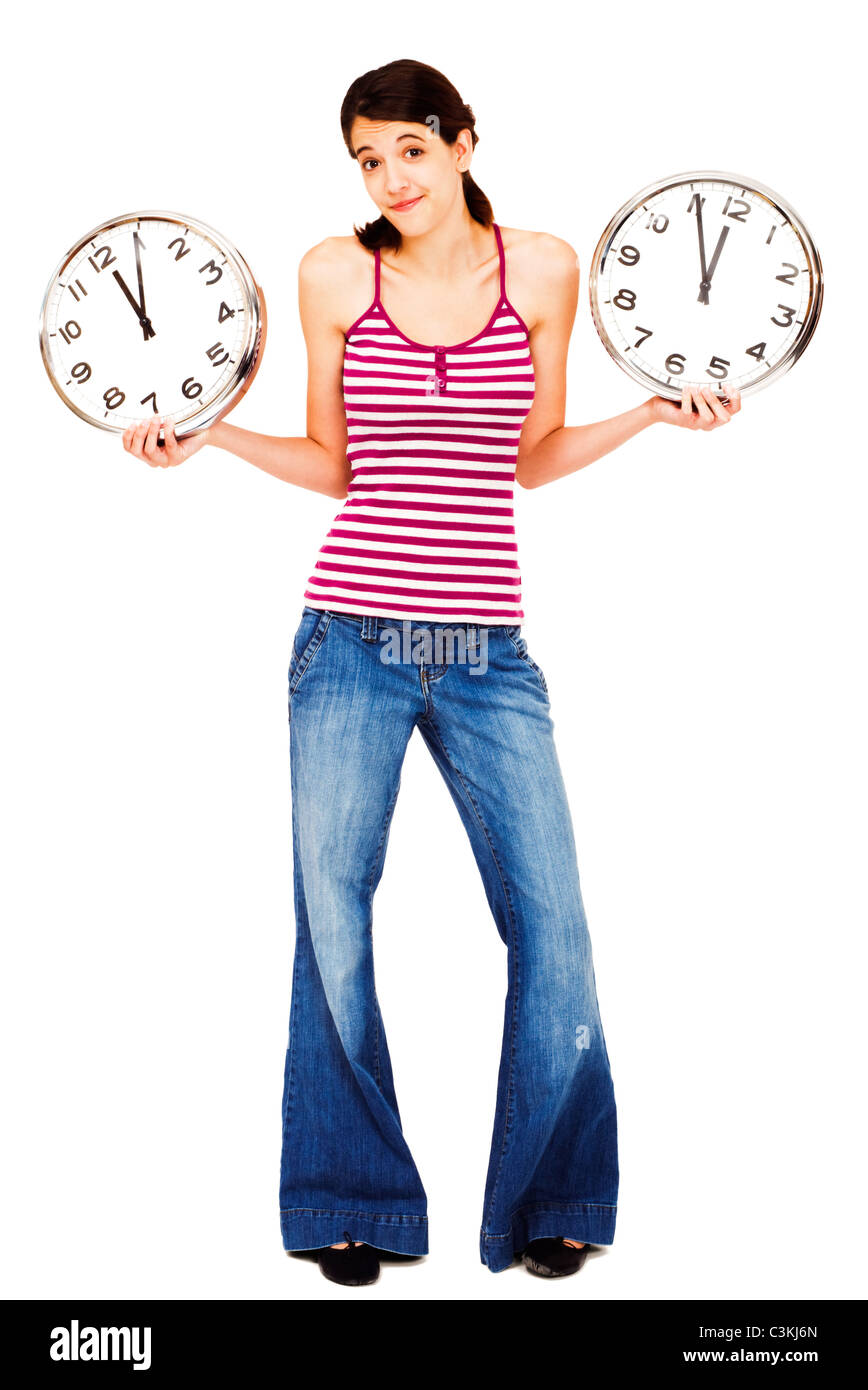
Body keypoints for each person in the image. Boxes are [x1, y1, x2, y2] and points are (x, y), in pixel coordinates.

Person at [122, 58, 741, 1287]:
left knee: (553, 923)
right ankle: (351, 1202)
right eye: (366, 159)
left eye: (409, 148)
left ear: (463, 142)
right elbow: (336, 465)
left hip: (486, 653)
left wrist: (653, 416)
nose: (389, 177)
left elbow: (531, 455)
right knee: (334, 923)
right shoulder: (333, 274)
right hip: (348, 640)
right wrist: (207, 441)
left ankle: (553, 1197)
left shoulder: (546, 267)